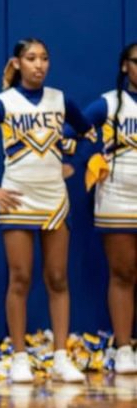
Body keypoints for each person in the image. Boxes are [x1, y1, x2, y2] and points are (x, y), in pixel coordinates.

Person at [0, 37, 95, 384]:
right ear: (17, 63)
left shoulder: (61, 100)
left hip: (55, 199)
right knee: (20, 278)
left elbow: (91, 133)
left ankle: (60, 356)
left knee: (58, 278)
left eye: (45, 58)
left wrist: (72, 161)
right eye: (32, 58)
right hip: (17, 198)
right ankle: (18, 357)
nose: (40, 65)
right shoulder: (3, 103)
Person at [83, 42, 137, 374]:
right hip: (117, 197)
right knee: (123, 274)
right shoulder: (108, 103)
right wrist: (88, 159)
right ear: (124, 67)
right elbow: (68, 132)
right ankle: (124, 348)